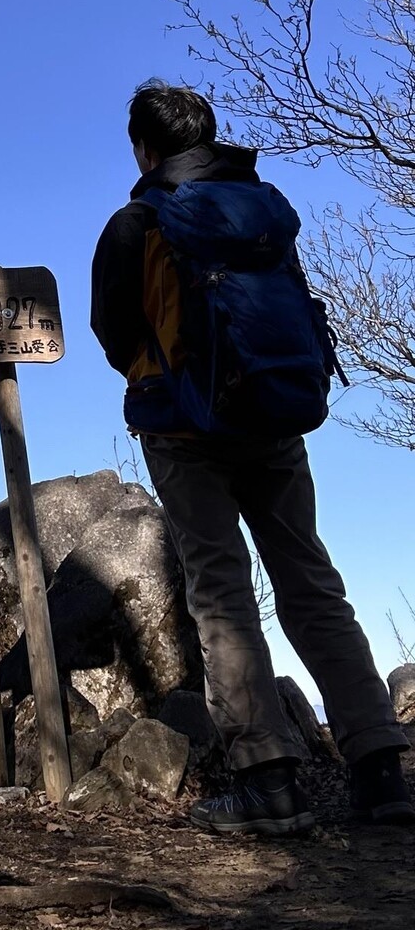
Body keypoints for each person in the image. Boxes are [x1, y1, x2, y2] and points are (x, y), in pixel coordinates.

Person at [90, 79, 414, 835]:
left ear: (145, 147)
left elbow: (114, 334)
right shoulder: (261, 209)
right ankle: (380, 771)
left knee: (221, 592)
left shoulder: (137, 221)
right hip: (275, 419)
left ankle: (268, 784)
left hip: (183, 430)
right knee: (311, 582)